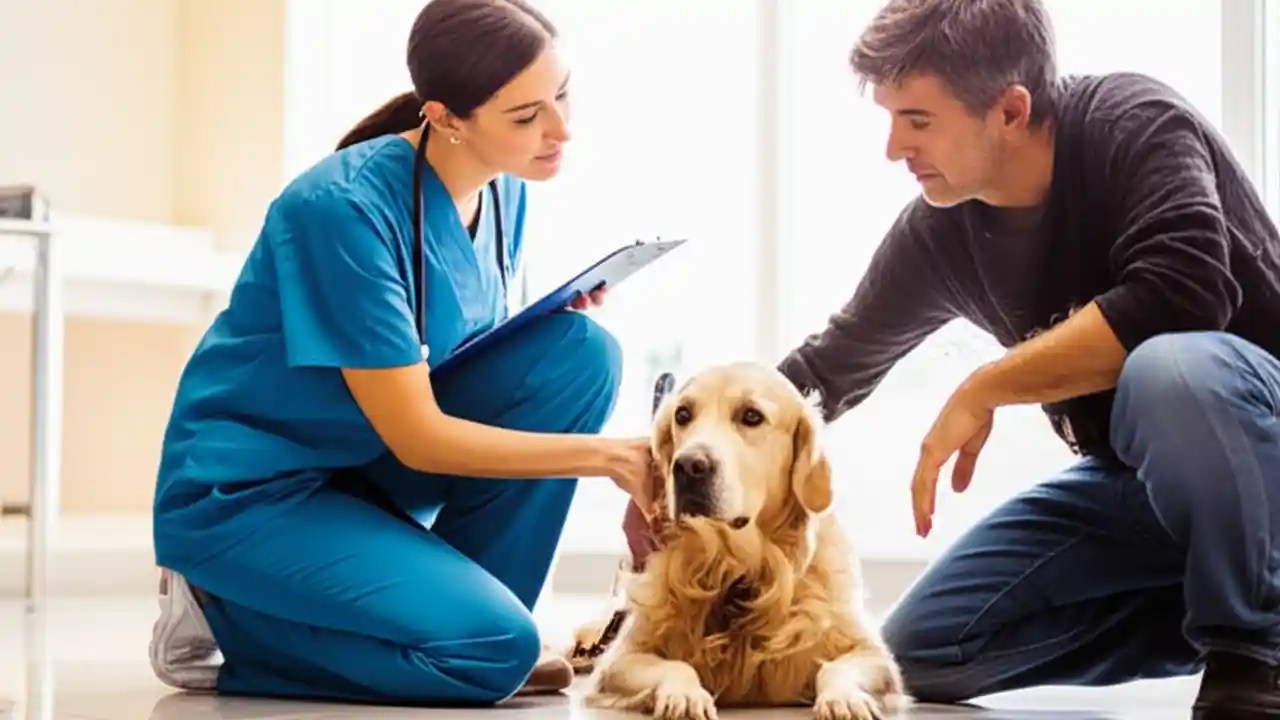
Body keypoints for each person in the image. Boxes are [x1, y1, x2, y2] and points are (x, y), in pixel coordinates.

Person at [611, 0, 1280, 716]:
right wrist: (686, 460)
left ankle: (1249, 653)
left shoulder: (1133, 124)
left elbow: (1183, 291)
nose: (894, 147)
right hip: (1138, 482)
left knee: (1169, 371)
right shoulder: (941, 231)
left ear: (1011, 110)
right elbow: (826, 370)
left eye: (918, 120)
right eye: (891, 119)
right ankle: (1231, 601)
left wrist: (985, 387)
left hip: (1255, 447)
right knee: (925, 649)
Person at [148, 0, 659, 707]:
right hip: (257, 497)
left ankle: (465, 622)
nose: (561, 129)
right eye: (526, 115)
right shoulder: (341, 210)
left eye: (562, 93)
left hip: (364, 472)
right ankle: (230, 612)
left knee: (577, 353)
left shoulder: (504, 190)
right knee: (496, 653)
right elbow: (417, 436)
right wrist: (610, 457)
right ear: (447, 117)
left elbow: (453, 349)